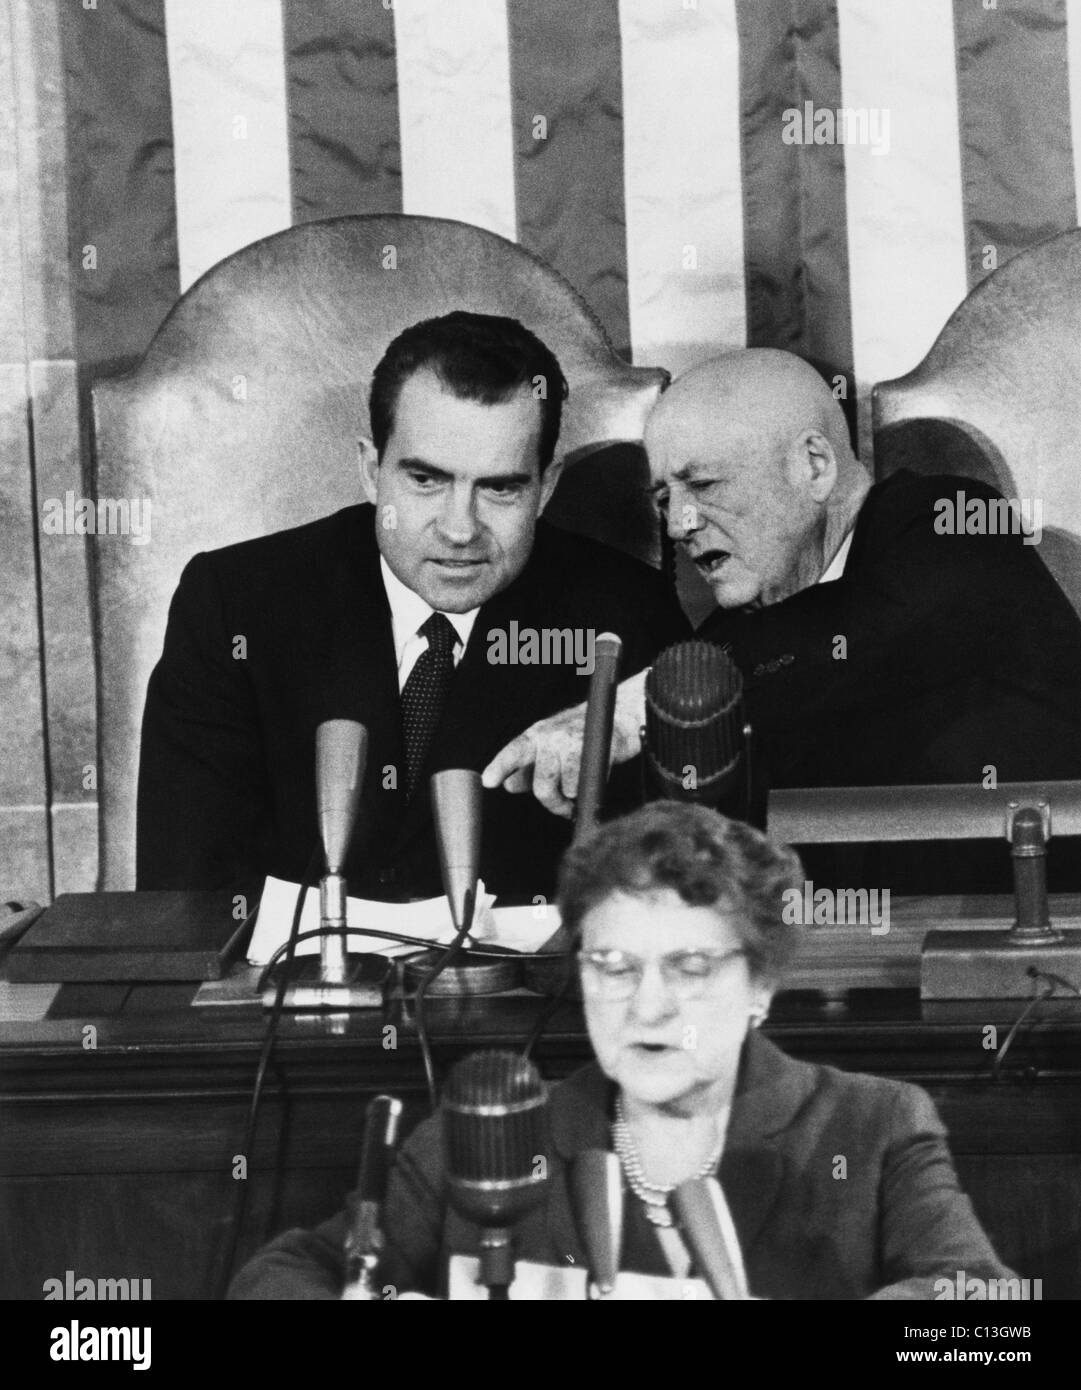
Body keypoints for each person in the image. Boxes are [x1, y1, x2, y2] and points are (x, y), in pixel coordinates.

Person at [228, 802, 1012, 1299]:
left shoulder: (870, 1128)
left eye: (689, 967)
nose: (646, 1005)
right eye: (613, 966)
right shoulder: (495, 1131)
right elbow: (283, 1274)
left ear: (761, 986)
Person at [136, 312, 688, 901]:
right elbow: (184, 894)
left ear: (545, 488)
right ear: (373, 473)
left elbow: (678, 883)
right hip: (288, 986)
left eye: (500, 488)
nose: (460, 529)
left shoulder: (626, 611)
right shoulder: (235, 603)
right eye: (426, 480)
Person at [482, 348, 1081, 811]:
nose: (678, 524)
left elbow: (863, 636)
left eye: (705, 485)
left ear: (814, 465)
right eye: (664, 498)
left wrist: (635, 706)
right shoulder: (727, 638)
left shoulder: (947, 519)